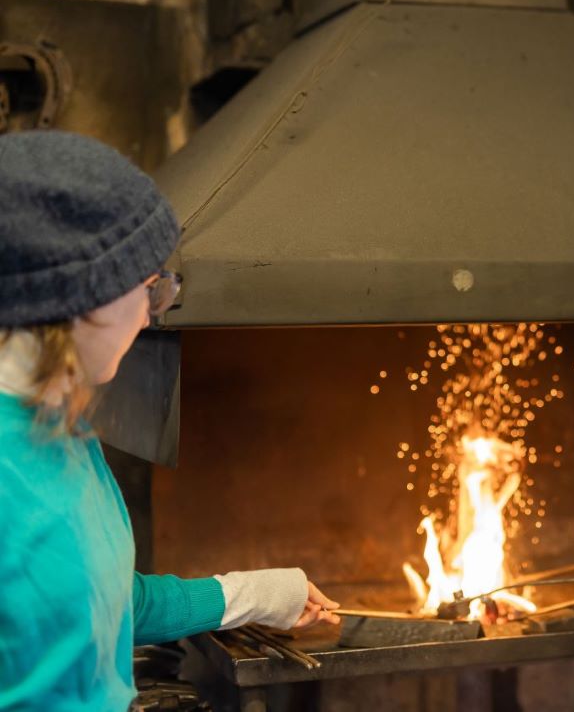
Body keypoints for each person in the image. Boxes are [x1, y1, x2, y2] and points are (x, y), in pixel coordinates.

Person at [0, 131, 342, 710]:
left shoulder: (61, 424)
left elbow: (103, 603)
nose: (152, 311)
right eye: (150, 288)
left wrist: (251, 594)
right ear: (83, 301)